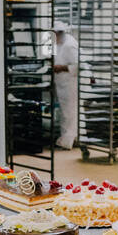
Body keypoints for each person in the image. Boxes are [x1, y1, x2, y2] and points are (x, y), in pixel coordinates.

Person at [52, 21, 79, 150]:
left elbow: (78, 66)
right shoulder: (58, 43)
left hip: (70, 83)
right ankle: (68, 138)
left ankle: (70, 139)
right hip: (61, 83)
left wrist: (61, 67)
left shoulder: (70, 45)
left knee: (70, 113)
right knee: (65, 112)